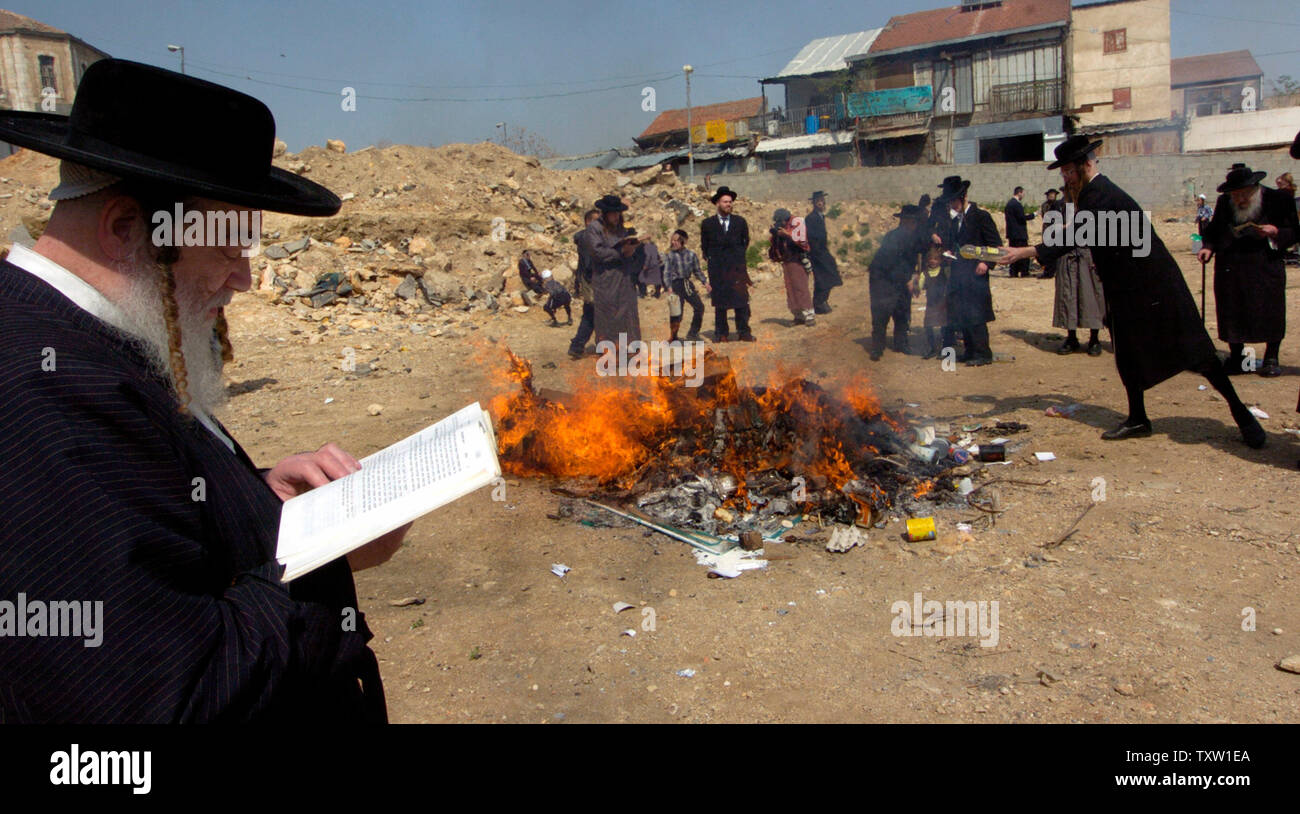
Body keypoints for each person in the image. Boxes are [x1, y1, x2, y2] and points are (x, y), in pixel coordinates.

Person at [0, 58, 403, 722]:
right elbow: (172, 697)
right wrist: (322, 559)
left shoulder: (87, 341)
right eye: (227, 248)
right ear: (128, 229)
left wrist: (252, 499)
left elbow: (140, 515)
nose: (242, 280)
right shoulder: (41, 394)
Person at [1001, 135, 1266, 448]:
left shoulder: (1099, 193)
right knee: (1128, 353)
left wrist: (1026, 251)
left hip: (1153, 284)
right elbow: (1103, 237)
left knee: (1196, 352)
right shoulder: (1092, 194)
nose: (1065, 179)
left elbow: (1078, 234)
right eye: (1063, 174)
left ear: (1086, 166)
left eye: (1069, 172)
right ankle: (1138, 418)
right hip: (1127, 287)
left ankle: (1242, 415)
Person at [1197, 164, 1298, 378]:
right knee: (1232, 310)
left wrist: (1276, 232)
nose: (1240, 200)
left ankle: (1271, 357)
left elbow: (1294, 232)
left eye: (1244, 195)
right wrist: (1207, 247)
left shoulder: (1279, 200)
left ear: (1255, 189)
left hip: (1265, 266)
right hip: (1231, 266)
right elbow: (1214, 230)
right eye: (1236, 195)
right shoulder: (1225, 202)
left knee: (1270, 311)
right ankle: (1238, 357)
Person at [938, 176, 1001, 366]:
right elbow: (953, 244)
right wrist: (948, 252)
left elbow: (996, 245)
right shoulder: (953, 220)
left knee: (977, 315)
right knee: (962, 314)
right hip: (958, 274)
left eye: (954, 201)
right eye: (949, 202)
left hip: (976, 275)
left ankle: (983, 353)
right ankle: (970, 350)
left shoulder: (981, 217)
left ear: (963, 197)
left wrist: (986, 263)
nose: (952, 205)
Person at [1048, 183, 1105, 356]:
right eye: (1067, 191)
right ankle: (1071, 338)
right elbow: (1050, 231)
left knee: (1092, 297)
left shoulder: (1092, 207)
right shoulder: (1058, 208)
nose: (1070, 194)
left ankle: (1094, 339)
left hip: (1088, 257)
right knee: (1068, 298)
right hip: (1066, 257)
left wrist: (1099, 257)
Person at [868, 204, 924, 360]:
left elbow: (918, 257)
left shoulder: (915, 237)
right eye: (909, 221)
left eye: (914, 222)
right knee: (881, 314)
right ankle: (877, 348)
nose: (912, 224)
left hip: (901, 279)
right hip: (882, 279)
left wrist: (914, 277)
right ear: (903, 221)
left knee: (902, 312)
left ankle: (901, 343)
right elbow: (893, 264)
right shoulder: (893, 237)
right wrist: (908, 279)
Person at [586, 194, 643, 346]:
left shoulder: (620, 229)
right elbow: (597, 253)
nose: (616, 216)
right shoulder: (594, 228)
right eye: (613, 213)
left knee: (628, 315)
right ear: (605, 213)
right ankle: (610, 353)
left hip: (624, 278)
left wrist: (632, 249)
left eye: (618, 213)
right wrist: (620, 252)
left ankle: (630, 351)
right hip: (606, 280)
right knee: (608, 316)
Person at [699, 186, 754, 342]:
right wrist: (715, 260)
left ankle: (743, 332)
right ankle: (721, 333)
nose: (729, 204)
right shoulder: (708, 224)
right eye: (725, 202)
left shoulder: (740, 222)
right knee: (721, 302)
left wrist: (737, 257)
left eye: (730, 202)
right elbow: (705, 246)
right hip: (718, 269)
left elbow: (745, 242)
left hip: (737, 268)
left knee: (741, 301)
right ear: (718, 203)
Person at [769, 208, 815, 326]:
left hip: (797, 259)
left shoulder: (797, 222)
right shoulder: (783, 226)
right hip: (786, 260)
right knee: (790, 288)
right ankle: (798, 316)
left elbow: (802, 240)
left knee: (800, 287)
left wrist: (787, 235)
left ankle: (809, 315)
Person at [663, 228, 708, 342]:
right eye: (672, 240)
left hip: (687, 284)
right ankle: (673, 337)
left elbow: (697, 271)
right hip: (675, 285)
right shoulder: (669, 255)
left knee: (699, 307)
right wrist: (669, 288)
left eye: (677, 240)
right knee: (677, 312)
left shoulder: (691, 255)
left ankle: (693, 333)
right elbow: (667, 272)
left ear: (684, 241)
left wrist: (705, 282)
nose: (674, 243)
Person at [567, 208, 600, 360]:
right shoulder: (588, 238)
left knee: (591, 315)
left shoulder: (588, 237)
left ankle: (578, 346)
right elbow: (588, 264)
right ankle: (580, 345)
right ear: (588, 222)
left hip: (590, 283)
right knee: (594, 315)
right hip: (593, 283)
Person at [804, 191, 843, 313]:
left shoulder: (821, 216)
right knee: (822, 278)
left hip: (822, 251)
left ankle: (821, 301)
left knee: (829, 275)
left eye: (822, 200)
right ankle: (819, 303)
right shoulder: (811, 218)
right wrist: (818, 254)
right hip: (817, 254)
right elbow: (812, 238)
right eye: (819, 200)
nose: (822, 202)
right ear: (815, 203)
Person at [914, 244, 949, 359]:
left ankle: (944, 349)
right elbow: (920, 286)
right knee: (928, 325)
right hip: (931, 303)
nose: (933, 261)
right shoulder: (924, 274)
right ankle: (932, 348)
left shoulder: (944, 271)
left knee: (945, 326)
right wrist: (917, 286)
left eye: (936, 259)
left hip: (942, 303)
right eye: (931, 259)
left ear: (940, 260)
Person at [1004, 186, 1035, 278]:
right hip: (1019, 234)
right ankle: (1024, 272)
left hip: (1012, 234)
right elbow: (1021, 218)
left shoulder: (1009, 204)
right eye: (1023, 193)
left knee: (1012, 254)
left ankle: (1013, 272)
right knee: (1023, 253)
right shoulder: (1016, 204)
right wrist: (1034, 215)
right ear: (1019, 193)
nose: (1023, 195)